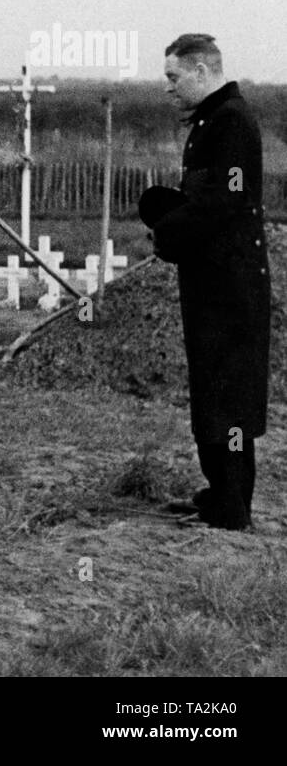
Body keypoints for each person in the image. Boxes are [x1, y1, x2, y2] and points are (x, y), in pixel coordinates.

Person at [144, 33, 271, 530]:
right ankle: (223, 491)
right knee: (217, 393)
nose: (168, 89)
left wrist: (167, 231)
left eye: (174, 78)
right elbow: (213, 195)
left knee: (230, 399)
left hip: (231, 288)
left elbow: (229, 198)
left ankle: (233, 506)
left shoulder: (232, 123)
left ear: (201, 71)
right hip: (216, 282)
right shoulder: (214, 120)